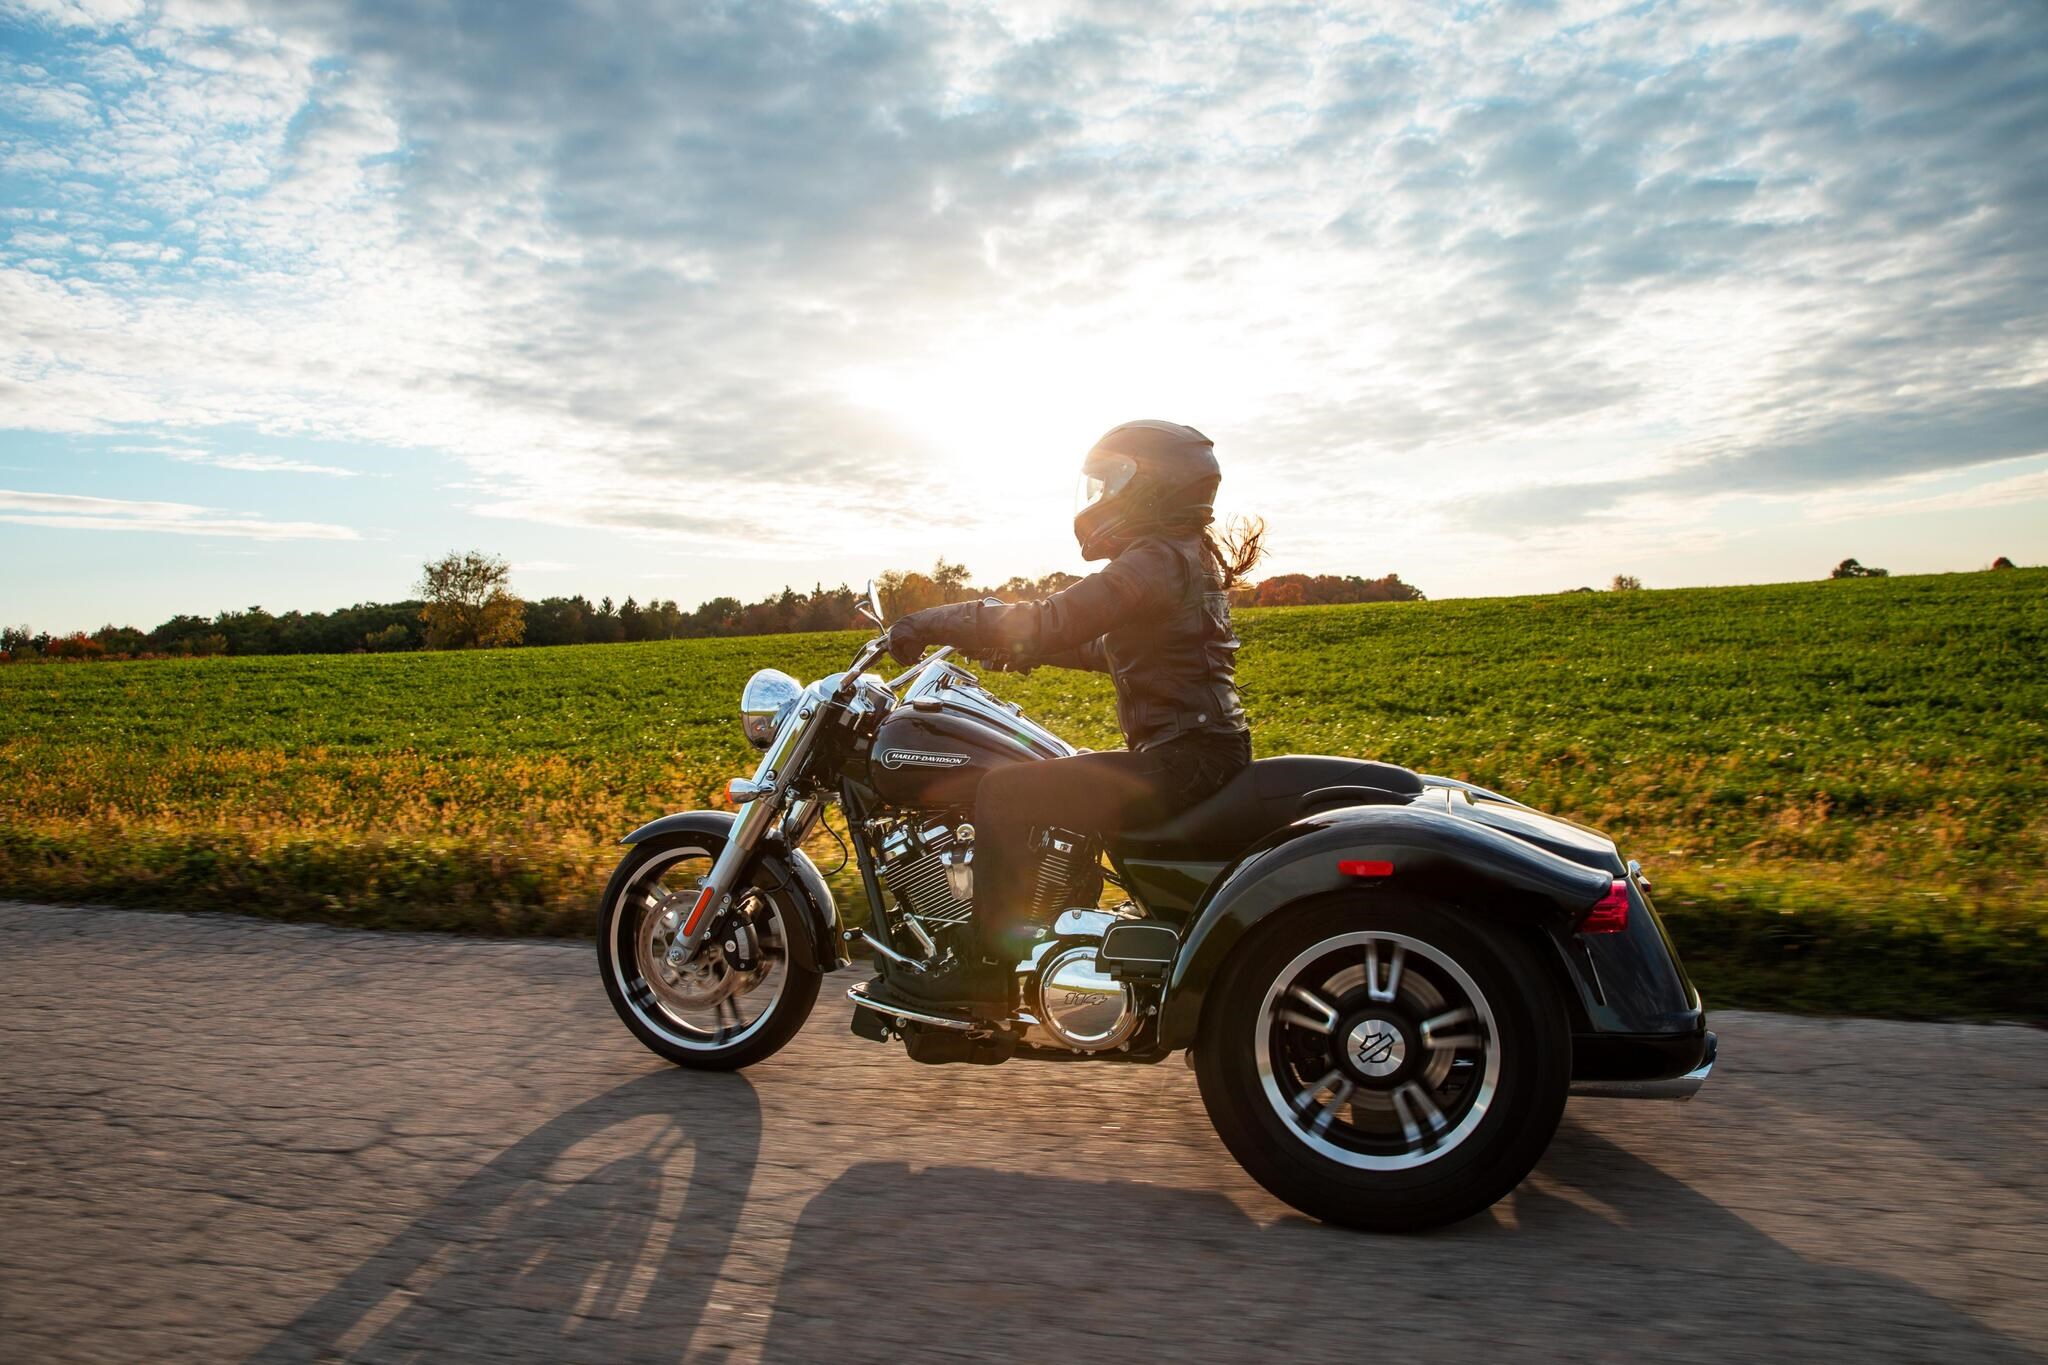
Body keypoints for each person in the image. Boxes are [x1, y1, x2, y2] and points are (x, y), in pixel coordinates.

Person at [878, 419, 1263, 1009]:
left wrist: (931, 621)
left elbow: (1048, 619)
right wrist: (1010, 651)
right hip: (1199, 752)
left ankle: (985, 972)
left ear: (1150, 483)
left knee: (1003, 792)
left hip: (1186, 758)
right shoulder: (1176, 557)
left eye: (1110, 480)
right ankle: (1046, 931)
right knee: (1059, 774)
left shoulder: (1153, 560)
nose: (1100, 496)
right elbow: (1108, 649)